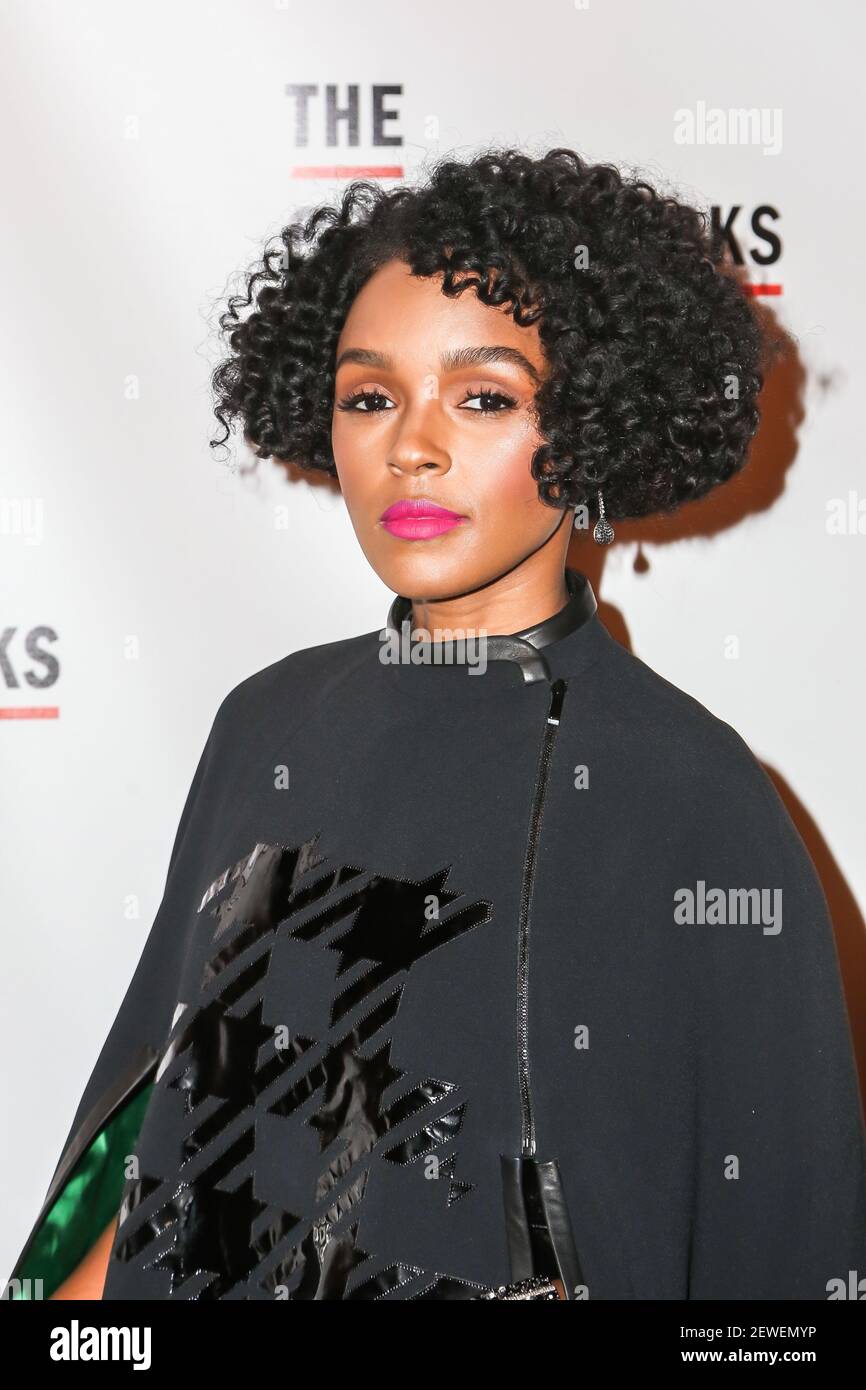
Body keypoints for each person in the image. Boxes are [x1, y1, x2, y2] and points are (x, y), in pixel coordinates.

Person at [7, 147, 866, 1301]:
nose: (411, 444)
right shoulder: (269, 718)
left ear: (596, 419)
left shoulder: (685, 794)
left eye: (482, 396)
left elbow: (780, 1242)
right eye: (371, 396)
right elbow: (164, 1141)